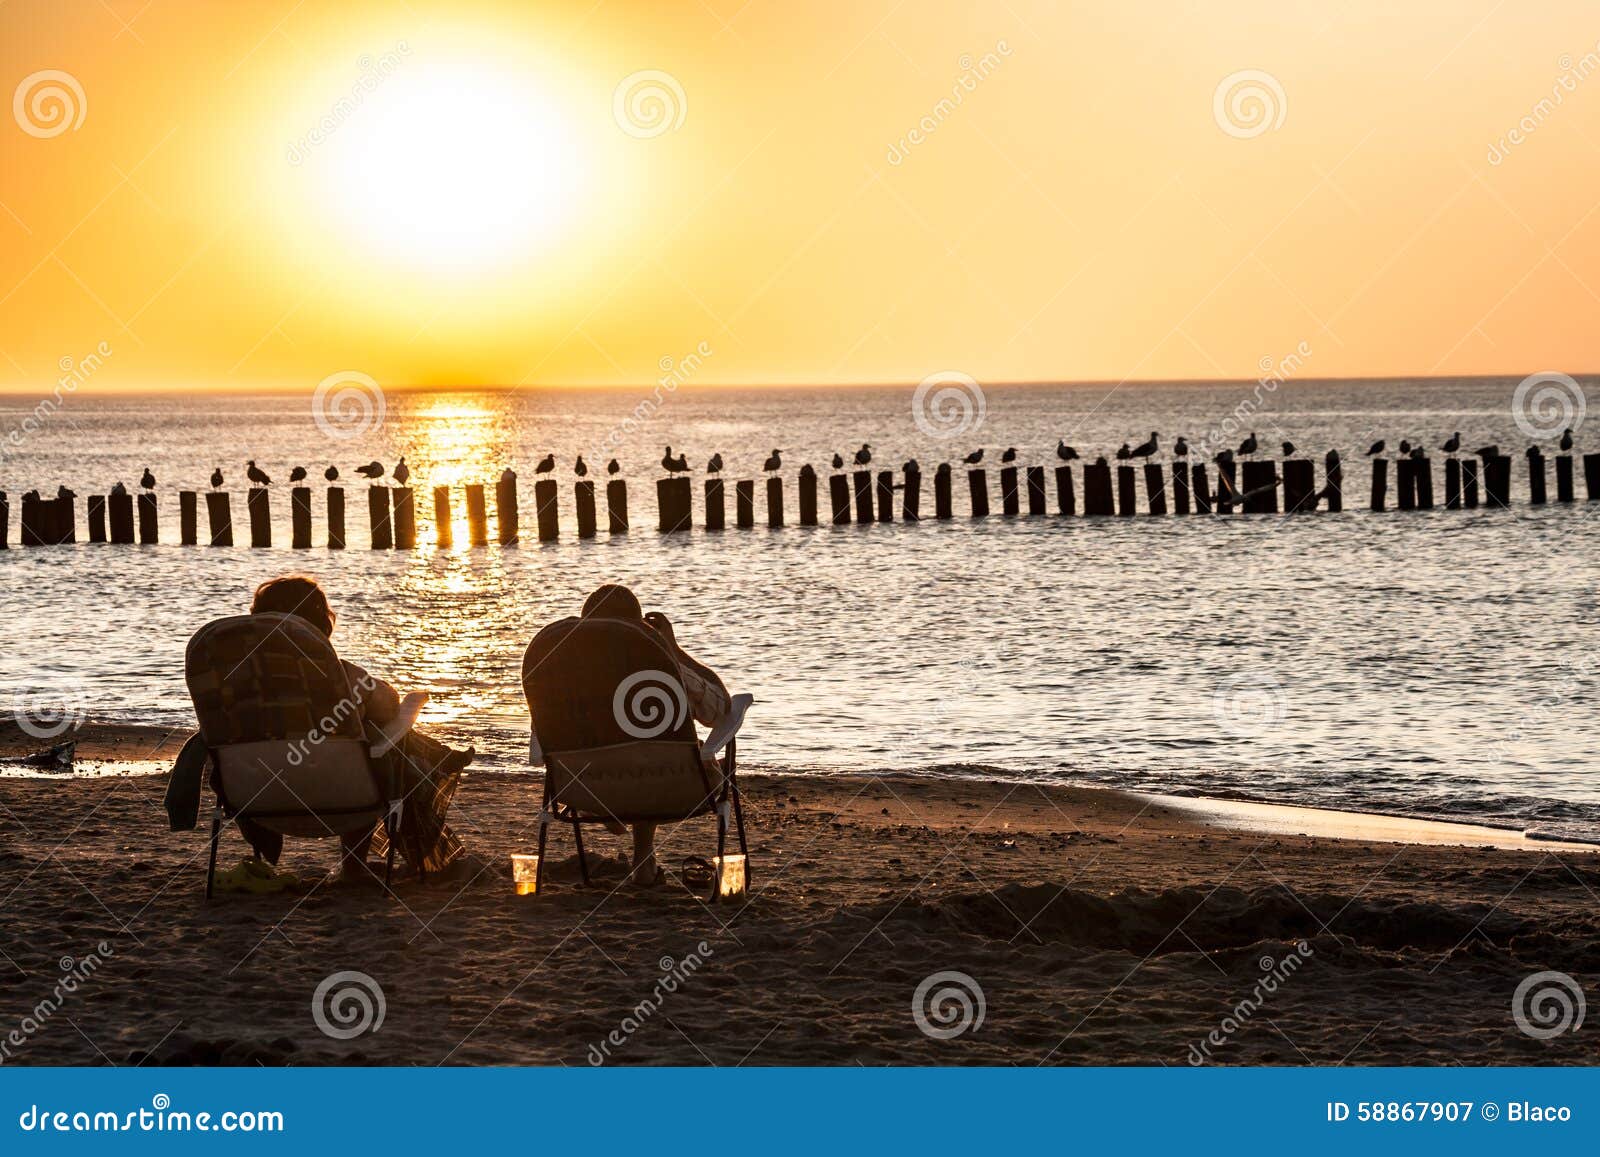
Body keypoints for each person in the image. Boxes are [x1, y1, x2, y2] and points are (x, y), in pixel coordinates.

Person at [246, 574, 473, 879]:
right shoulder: (339, 677)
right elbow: (390, 705)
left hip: (261, 793)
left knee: (365, 735)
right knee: (378, 746)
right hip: (341, 795)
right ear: (321, 625)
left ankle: (260, 861)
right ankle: (355, 865)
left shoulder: (241, 683)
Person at [579, 583, 731, 885]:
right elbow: (721, 711)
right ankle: (643, 858)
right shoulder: (664, 669)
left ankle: (628, 833)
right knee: (656, 753)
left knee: (634, 750)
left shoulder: (564, 679)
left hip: (586, 790)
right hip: (671, 784)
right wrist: (673, 650)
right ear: (639, 627)